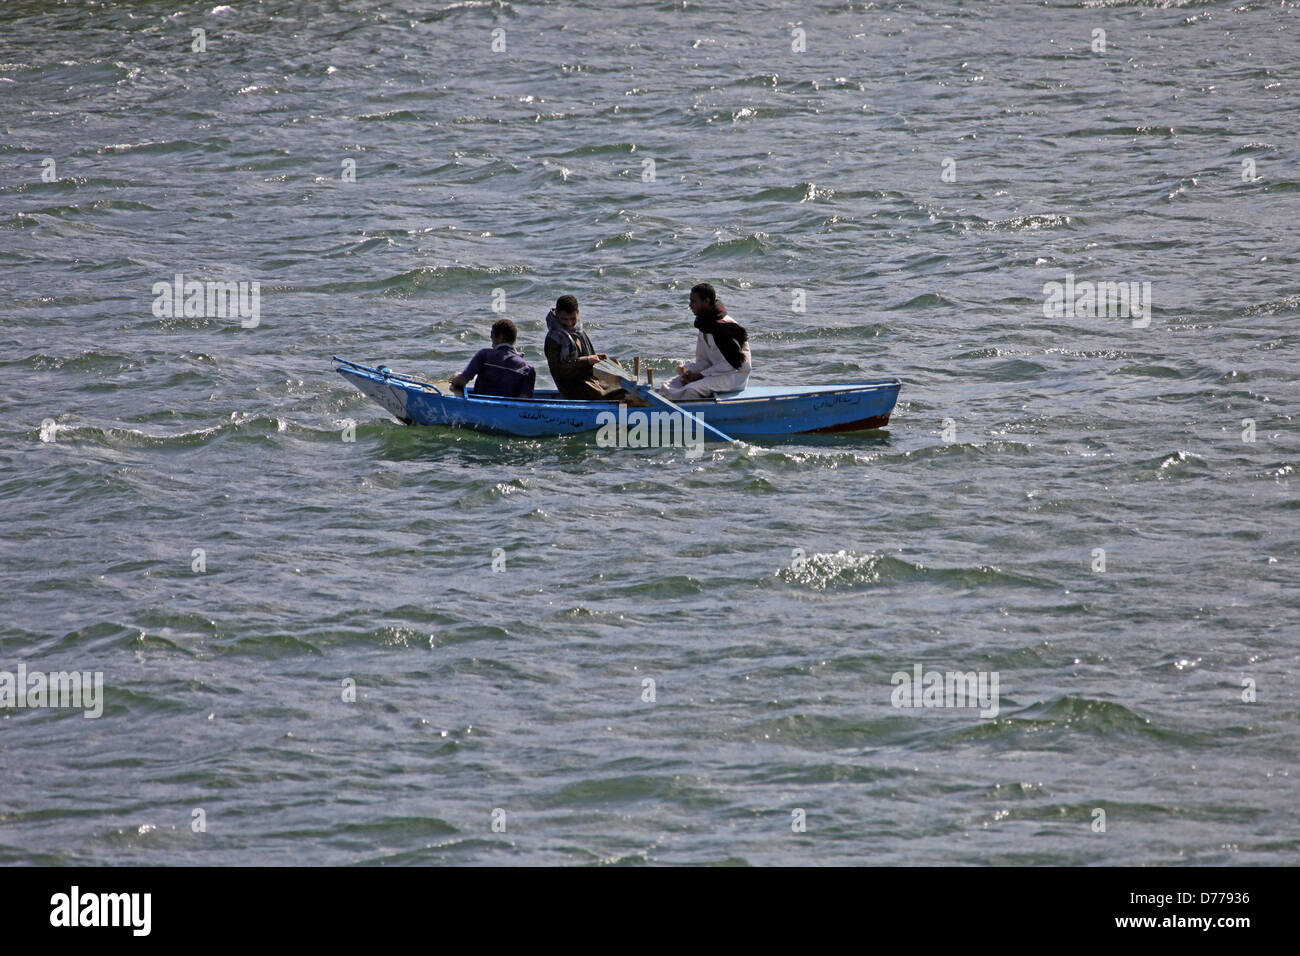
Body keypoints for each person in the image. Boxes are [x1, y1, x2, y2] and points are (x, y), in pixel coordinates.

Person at [659, 283, 751, 401]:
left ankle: (683, 417)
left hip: (735, 376)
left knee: (690, 390)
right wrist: (688, 370)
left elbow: (732, 364)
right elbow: (704, 361)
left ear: (706, 302)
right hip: (715, 372)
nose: (690, 305)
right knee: (667, 387)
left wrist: (701, 375)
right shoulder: (705, 325)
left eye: (694, 301)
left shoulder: (726, 327)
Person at [543, 294, 625, 401]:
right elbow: (558, 371)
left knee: (618, 372)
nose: (569, 324)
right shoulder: (553, 339)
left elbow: (590, 359)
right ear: (557, 314)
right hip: (573, 388)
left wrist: (597, 360)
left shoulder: (579, 332)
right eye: (564, 319)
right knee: (619, 394)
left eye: (572, 319)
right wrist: (587, 361)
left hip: (589, 380)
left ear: (578, 313)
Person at [449, 318, 535, 398]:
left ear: (500, 337)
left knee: (455, 388)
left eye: (492, 334)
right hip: (509, 412)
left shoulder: (484, 355)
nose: (490, 337)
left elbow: (462, 381)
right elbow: (524, 400)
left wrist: (455, 377)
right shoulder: (528, 369)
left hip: (480, 408)